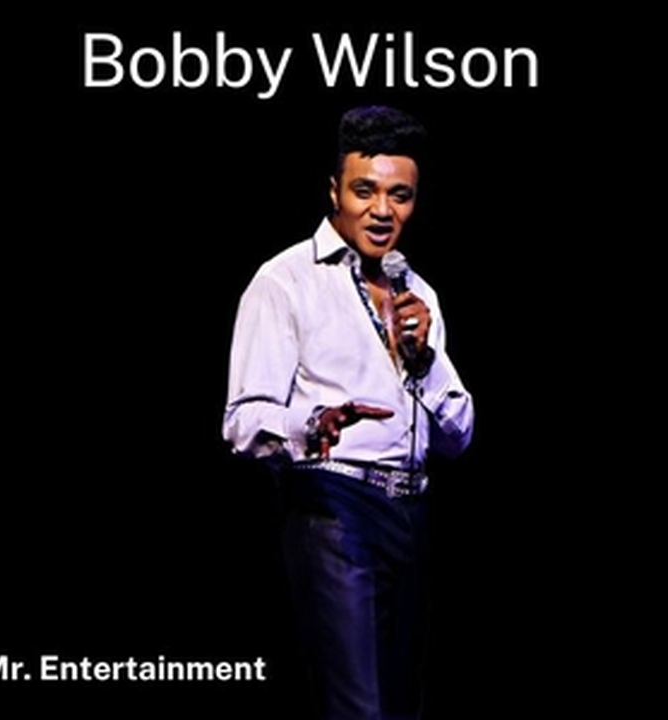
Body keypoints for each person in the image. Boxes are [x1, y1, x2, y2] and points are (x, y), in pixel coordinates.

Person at [223, 106, 474, 720]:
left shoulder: (420, 294)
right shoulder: (285, 281)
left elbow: (459, 436)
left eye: (399, 196)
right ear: (334, 190)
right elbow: (242, 421)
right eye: (365, 191)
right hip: (335, 507)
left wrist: (425, 361)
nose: (382, 211)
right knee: (358, 708)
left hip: (411, 514)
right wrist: (313, 423)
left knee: (402, 707)